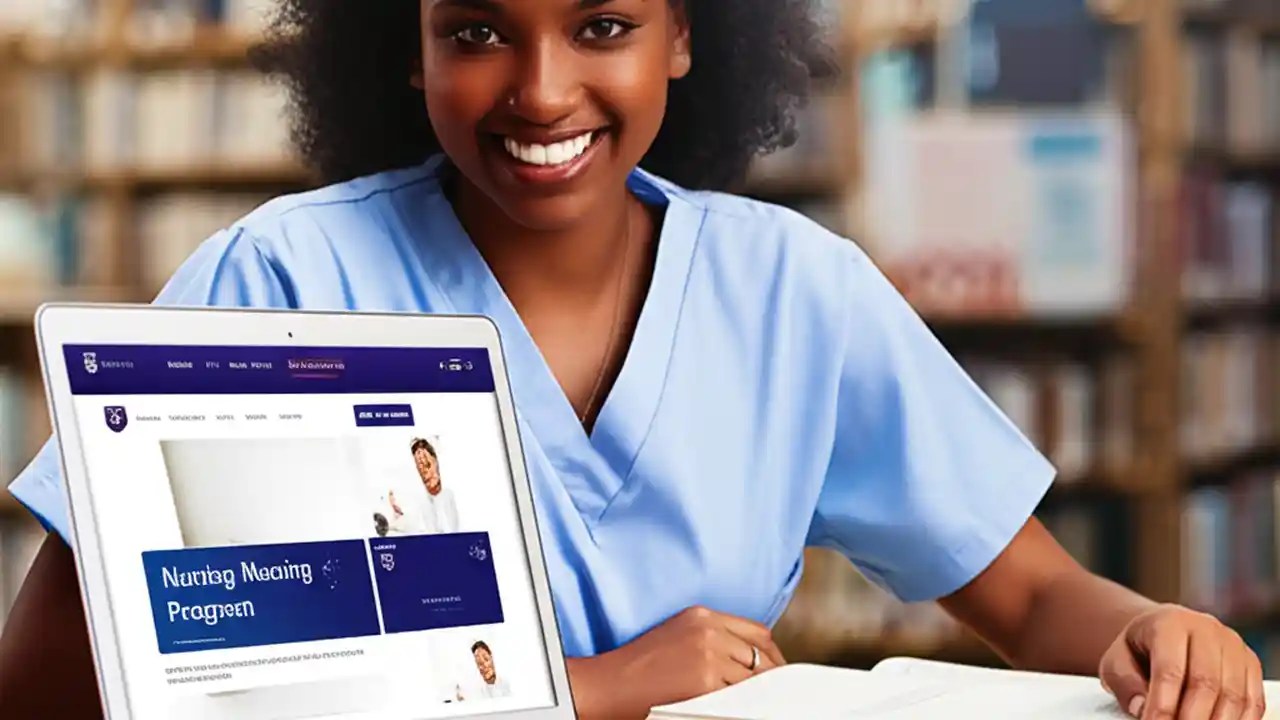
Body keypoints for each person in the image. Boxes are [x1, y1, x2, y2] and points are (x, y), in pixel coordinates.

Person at [0, 1, 1264, 719]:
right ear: (411, 42)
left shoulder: (789, 292)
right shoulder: (276, 284)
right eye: (478, 30)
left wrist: (1154, 628)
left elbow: (1032, 598)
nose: (540, 92)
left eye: (601, 23)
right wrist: (584, 689)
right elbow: (50, 684)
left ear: (682, 37)